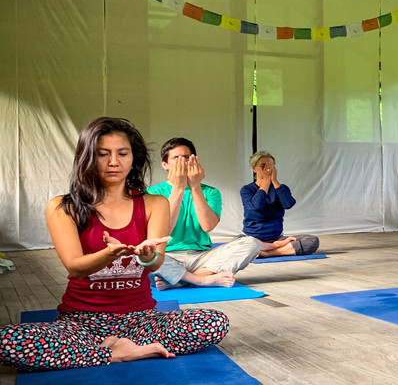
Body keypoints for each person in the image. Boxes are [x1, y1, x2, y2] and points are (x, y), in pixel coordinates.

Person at [0, 118, 228, 370]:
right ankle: (115, 354)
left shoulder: (155, 204)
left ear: (134, 158)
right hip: (81, 323)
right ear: (87, 158)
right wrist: (109, 254)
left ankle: (99, 353)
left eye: (122, 153)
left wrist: (147, 256)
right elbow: (75, 267)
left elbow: (156, 264)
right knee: (8, 341)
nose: (113, 162)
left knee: (214, 322)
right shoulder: (63, 207)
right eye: (103, 154)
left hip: (141, 320)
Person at [149, 137, 260, 288]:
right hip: (166, 257)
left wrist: (195, 187)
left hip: (201, 257)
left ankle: (183, 280)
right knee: (141, 257)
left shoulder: (211, 192)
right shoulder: (152, 193)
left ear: (194, 161)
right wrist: (179, 188)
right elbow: (164, 231)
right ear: (165, 164)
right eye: (176, 158)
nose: (182, 162)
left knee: (251, 243)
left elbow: (208, 226)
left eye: (186, 157)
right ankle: (199, 279)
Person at [240, 151, 320, 258]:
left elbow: (288, 204)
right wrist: (266, 182)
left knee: (312, 241)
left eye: (270, 166)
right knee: (236, 244)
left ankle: (268, 252)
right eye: (263, 166)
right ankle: (273, 248)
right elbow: (256, 206)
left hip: (277, 238)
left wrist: (274, 181)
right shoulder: (247, 190)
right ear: (254, 168)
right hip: (253, 238)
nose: (267, 169)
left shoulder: (281, 188)